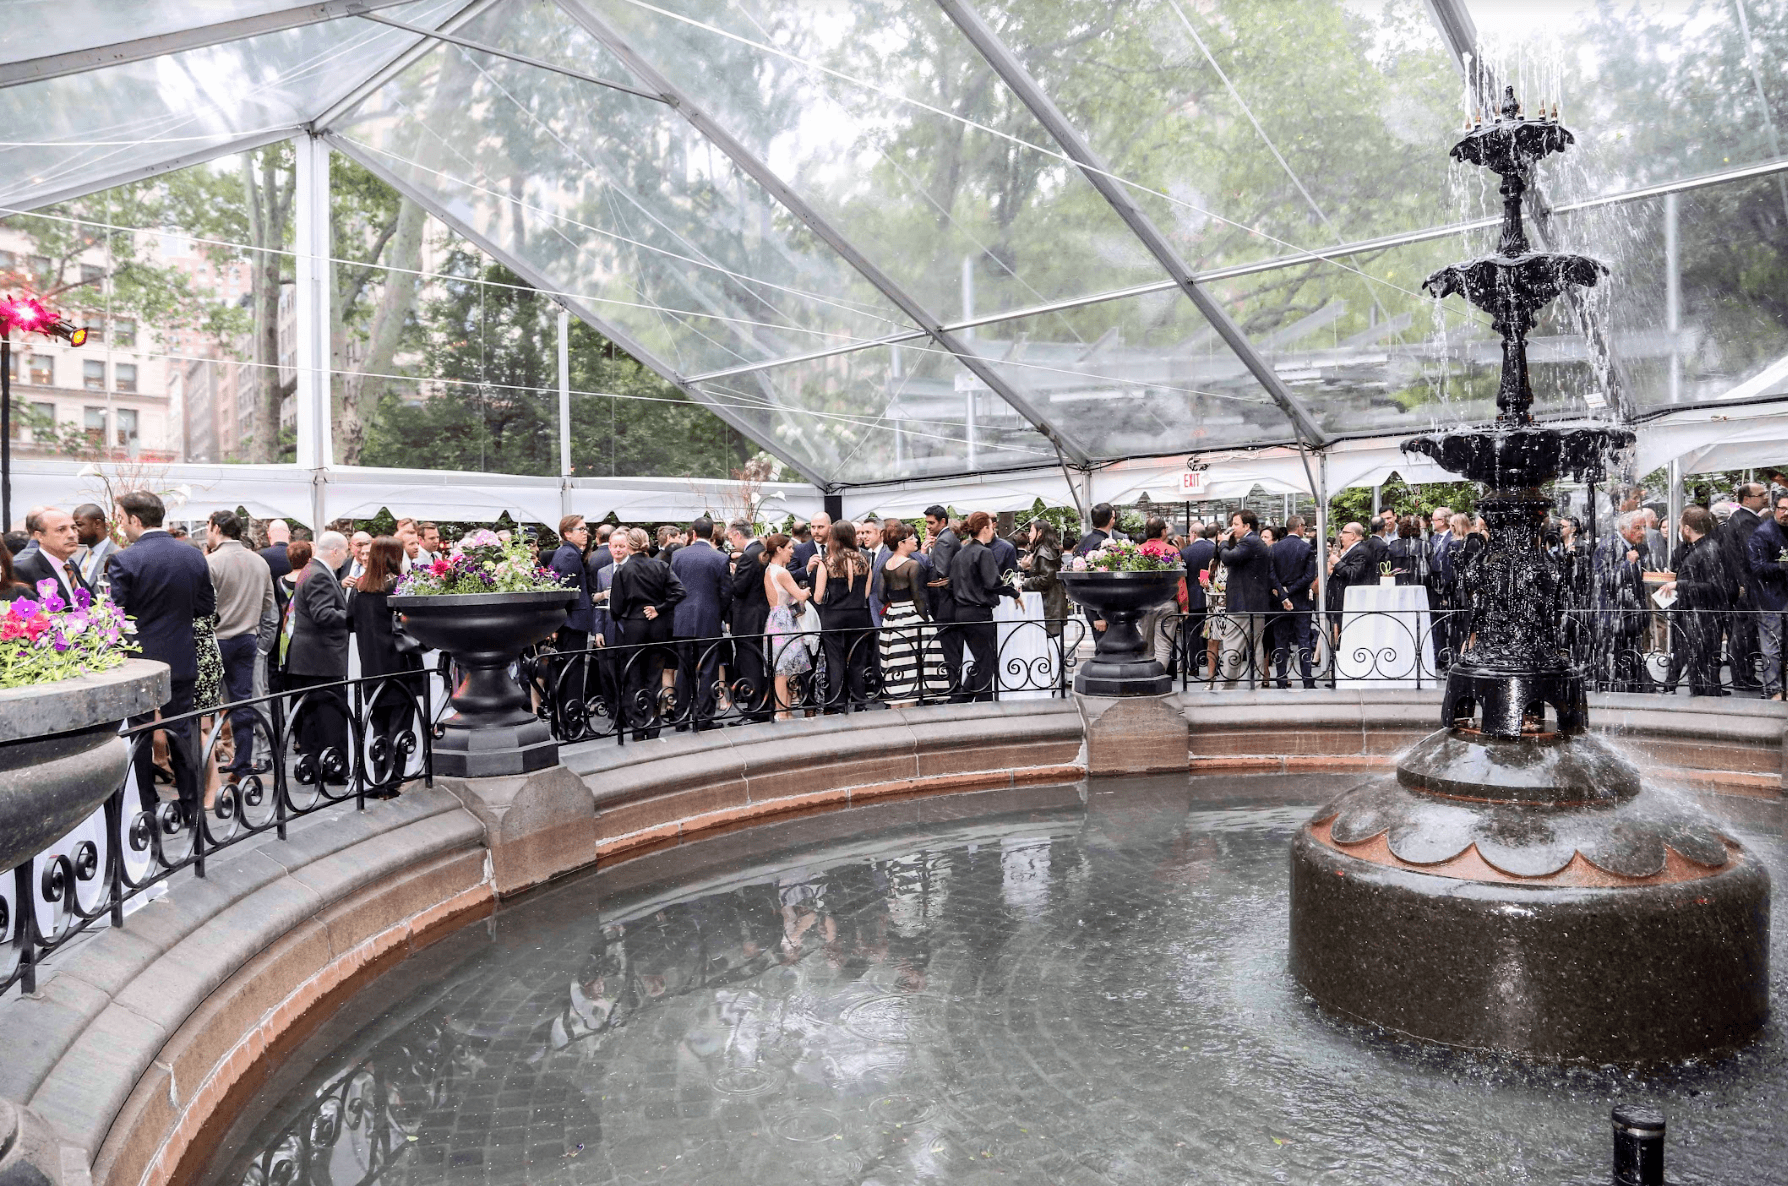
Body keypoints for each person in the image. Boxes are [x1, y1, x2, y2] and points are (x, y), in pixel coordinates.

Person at [108, 490, 218, 822]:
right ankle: (191, 807)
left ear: (135, 520)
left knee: (140, 736)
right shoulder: (192, 555)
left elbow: (114, 614)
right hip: (181, 657)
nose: (120, 525)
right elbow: (205, 608)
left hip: (138, 662)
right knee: (183, 731)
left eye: (121, 519)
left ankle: (146, 806)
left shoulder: (124, 559)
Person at [205, 511, 275, 784]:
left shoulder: (211, 562)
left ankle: (208, 768)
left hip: (218, 638)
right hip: (247, 637)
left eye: (209, 527)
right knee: (243, 702)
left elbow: (204, 605)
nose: (208, 532)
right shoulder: (259, 562)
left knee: (206, 706)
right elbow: (268, 603)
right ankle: (243, 762)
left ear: (218, 528)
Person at [349, 537, 422, 792]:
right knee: (400, 726)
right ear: (393, 556)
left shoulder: (359, 588)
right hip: (400, 664)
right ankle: (393, 779)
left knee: (379, 726)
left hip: (371, 665)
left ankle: (380, 779)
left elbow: (349, 623)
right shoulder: (400, 585)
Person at [287, 531, 353, 785]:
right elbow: (323, 614)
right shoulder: (318, 575)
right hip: (321, 660)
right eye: (345, 551)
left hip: (313, 659)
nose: (346, 557)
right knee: (328, 719)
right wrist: (352, 617)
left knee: (314, 720)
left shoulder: (311, 571)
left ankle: (313, 767)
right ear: (335, 551)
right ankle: (331, 769)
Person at [610, 525, 684, 739]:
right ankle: (653, 724)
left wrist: (624, 614)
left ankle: (638, 726)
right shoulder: (660, 566)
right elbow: (680, 592)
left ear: (629, 546)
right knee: (653, 677)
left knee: (634, 678)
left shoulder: (623, 570)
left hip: (633, 627)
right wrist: (659, 608)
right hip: (656, 626)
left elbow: (615, 607)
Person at [670, 516, 731, 729]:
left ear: (692, 534)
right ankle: (704, 717)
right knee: (708, 671)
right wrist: (718, 613)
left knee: (683, 669)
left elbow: (672, 589)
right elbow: (725, 593)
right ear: (711, 533)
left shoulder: (677, 555)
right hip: (709, 620)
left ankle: (680, 718)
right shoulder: (720, 558)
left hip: (683, 620)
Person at [1591, 511, 1654, 693]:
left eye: (1643, 527)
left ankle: (1638, 687)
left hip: (1630, 617)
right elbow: (1603, 579)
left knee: (1631, 656)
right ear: (1624, 529)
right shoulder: (1608, 546)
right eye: (1637, 528)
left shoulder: (1638, 547)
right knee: (1615, 659)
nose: (1642, 532)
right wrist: (1627, 564)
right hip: (1614, 617)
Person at [814, 520, 874, 712]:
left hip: (833, 616)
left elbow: (818, 596)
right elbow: (866, 593)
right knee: (857, 661)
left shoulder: (827, 562)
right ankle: (859, 702)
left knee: (835, 661)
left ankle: (838, 704)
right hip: (859, 615)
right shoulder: (864, 560)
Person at [878, 521, 941, 701]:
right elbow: (918, 597)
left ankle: (898, 701)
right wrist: (927, 621)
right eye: (911, 537)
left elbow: (882, 595)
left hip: (892, 619)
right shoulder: (913, 565)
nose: (916, 540)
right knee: (914, 665)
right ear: (901, 543)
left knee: (897, 665)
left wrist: (895, 606)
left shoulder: (886, 565)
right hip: (912, 619)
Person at [948, 511, 1003, 702]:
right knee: (987, 661)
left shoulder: (960, 554)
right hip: (978, 612)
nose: (993, 531)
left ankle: (962, 700)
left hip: (961, 612)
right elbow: (992, 583)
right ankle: (978, 703)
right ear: (985, 528)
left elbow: (951, 584)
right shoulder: (983, 552)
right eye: (991, 527)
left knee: (982, 660)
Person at [1720, 482, 1768, 690]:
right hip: (1747, 585)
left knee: (1743, 631)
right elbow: (1754, 555)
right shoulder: (1746, 521)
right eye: (1761, 495)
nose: (1765, 498)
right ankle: (1743, 676)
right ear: (1747, 499)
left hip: (1743, 584)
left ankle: (1743, 675)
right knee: (1744, 632)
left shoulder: (1742, 518)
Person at [1215, 510, 1272, 686]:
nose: (1232, 528)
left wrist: (1223, 543)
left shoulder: (1249, 541)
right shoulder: (1256, 541)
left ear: (1247, 526)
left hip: (1243, 605)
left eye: (1236, 524)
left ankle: (1227, 687)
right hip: (1254, 604)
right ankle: (1254, 686)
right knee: (1255, 647)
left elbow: (1228, 558)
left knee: (1233, 647)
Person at [761, 533, 813, 719]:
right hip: (784, 620)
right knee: (783, 669)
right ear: (779, 549)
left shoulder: (770, 569)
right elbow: (799, 596)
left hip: (775, 618)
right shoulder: (782, 573)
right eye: (790, 547)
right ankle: (782, 712)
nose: (792, 551)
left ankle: (784, 711)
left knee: (782, 667)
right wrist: (806, 591)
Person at [727, 519, 771, 720]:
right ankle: (763, 703)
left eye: (730, 538)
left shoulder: (748, 556)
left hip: (748, 618)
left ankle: (755, 708)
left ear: (737, 534)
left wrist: (731, 575)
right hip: (762, 614)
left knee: (750, 663)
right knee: (759, 661)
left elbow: (739, 589)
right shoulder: (762, 550)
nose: (731, 543)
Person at [1746, 491, 1788, 699]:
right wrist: (1781, 566)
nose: (1786, 513)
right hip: (1769, 598)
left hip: (1783, 596)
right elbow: (1756, 567)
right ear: (1775, 508)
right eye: (1783, 508)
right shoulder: (1763, 533)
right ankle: (1773, 689)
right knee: (1772, 645)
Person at [1270, 515, 1318, 689]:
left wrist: (1283, 593)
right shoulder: (1306, 549)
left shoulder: (1275, 549)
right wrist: (1291, 591)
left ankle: (1281, 678)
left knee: (1280, 640)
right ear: (1299, 527)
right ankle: (1307, 678)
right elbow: (1309, 576)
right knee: (1303, 639)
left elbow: (1271, 574)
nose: (1304, 529)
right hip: (1300, 600)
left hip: (1280, 601)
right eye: (1304, 526)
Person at [13, 507, 90, 603]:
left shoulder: (70, 566)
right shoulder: (23, 570)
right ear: (40, 536)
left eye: (74, 528)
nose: (72, 535)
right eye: (61, 530)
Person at [1327, 521, 1372, 652]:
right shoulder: (1352, 550)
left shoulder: (1361, 551)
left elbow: (1352, 574)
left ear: (1353, 535)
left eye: (1344, 533)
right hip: (1341, 603)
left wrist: (1337, 562)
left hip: (1349, 603)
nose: (1341, 536)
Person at [1020, 520, 1067, 632]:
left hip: (1049, 604)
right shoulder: (1046, 549)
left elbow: (1045, 579)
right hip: (1051, 602)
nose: (1029, 534)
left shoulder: (1044, 551)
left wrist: (1024, 582)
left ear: (1040, 532)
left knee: (1049, 642)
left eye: (1031, 531)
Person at [72, 503, 117, 590]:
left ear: (97, 524)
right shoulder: (76, 559)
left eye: (79, 525)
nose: (75, 530)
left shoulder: (118, 557)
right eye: (73, 526)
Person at [1385, 515, 1428, 587]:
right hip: (1420, 586)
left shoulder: (1393, 545)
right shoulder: (1425, 545)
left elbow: (1388, 567)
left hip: (1398, 585)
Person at [792, 511, 831, 588]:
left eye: (820, 527)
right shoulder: (799, 550)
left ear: (830, 528)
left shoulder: (838, 549)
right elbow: (789, 576)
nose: (816, 531)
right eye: (813, 527)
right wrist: (807, 569)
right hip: (809, 598)